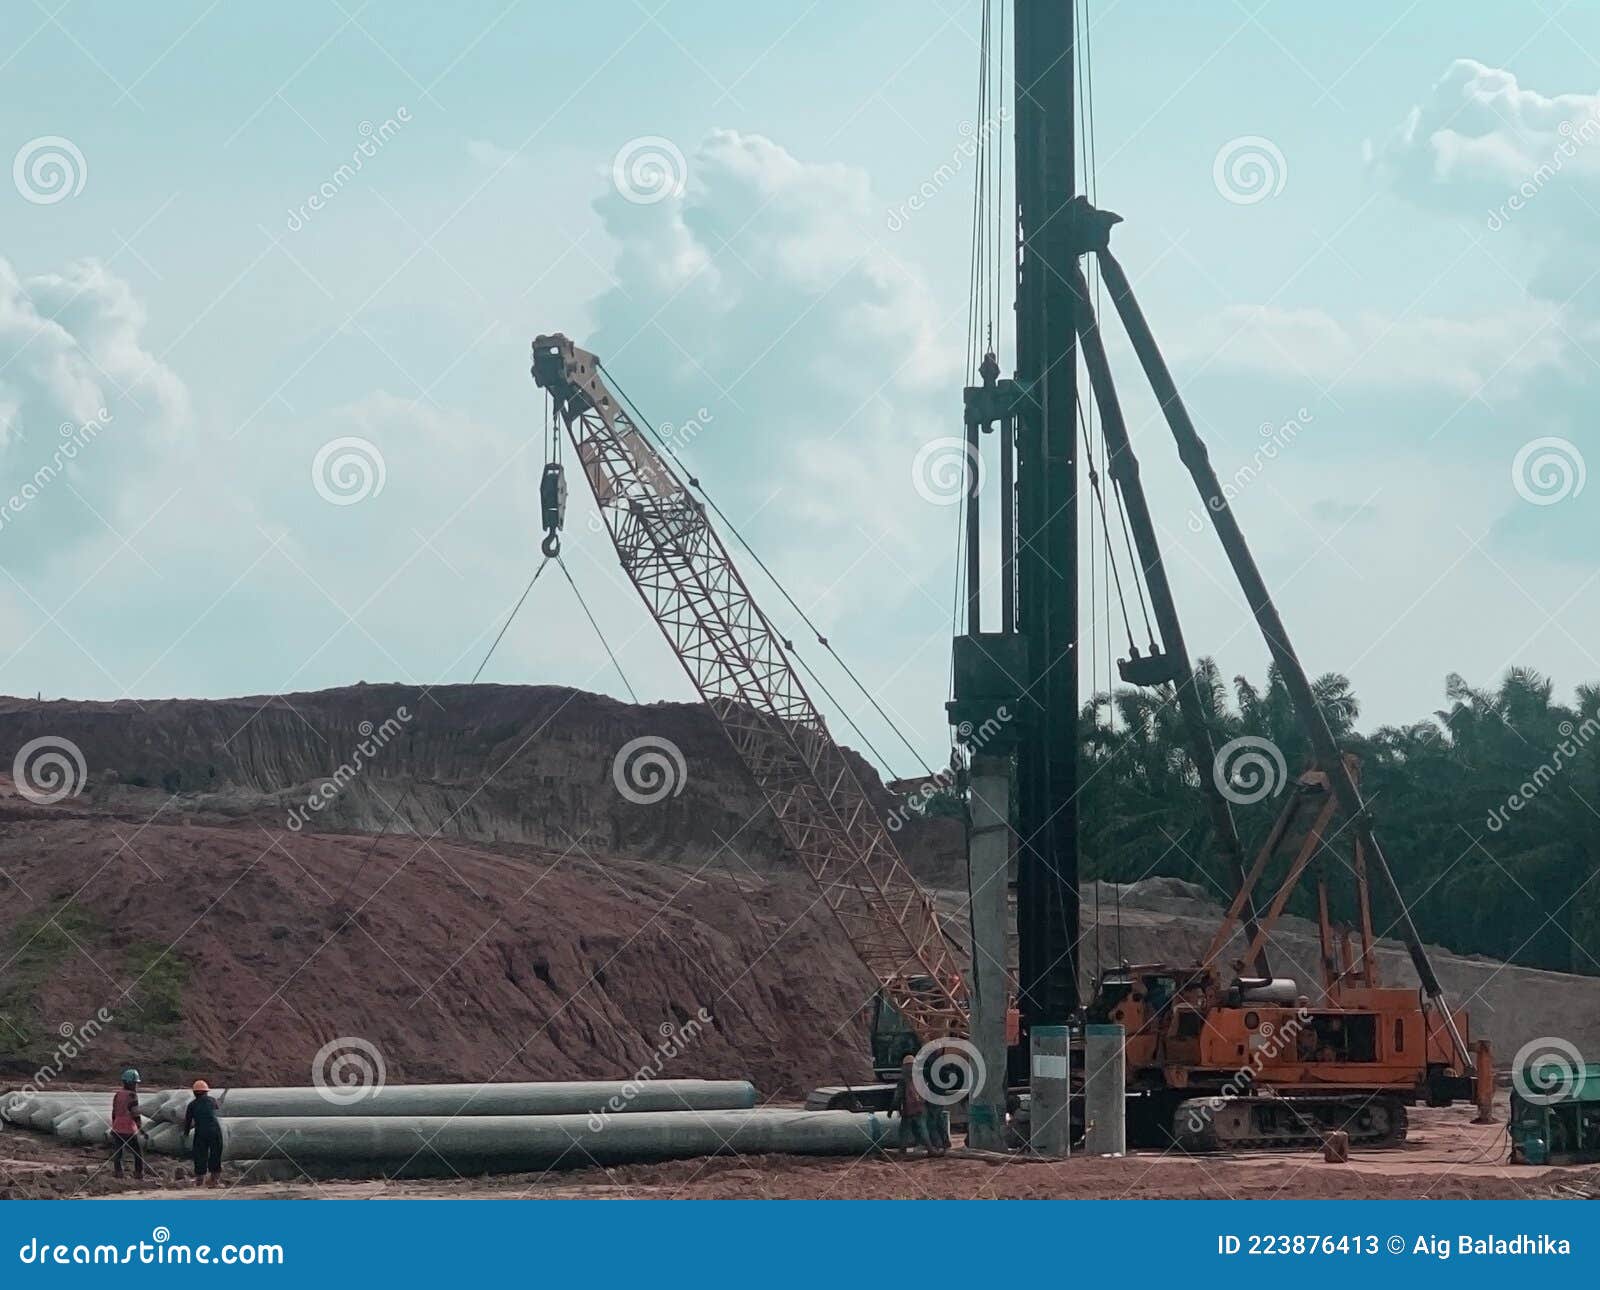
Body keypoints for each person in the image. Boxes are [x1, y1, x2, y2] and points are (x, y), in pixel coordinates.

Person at [183, 1079, 223, 1189]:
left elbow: (187, 1121)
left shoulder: (192, 1105)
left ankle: (200, 1181)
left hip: (201, 1131)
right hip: (215, 1130)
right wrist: (219, 1101)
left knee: (200, 1155)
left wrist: (185, 1134)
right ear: (206, 1092)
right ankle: (214, 1180)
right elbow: (217, 1106)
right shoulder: (212, 1101)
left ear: (194, 1093)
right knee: (216, 1153)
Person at [108, 1068, 145, 1180]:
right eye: (135, 1083)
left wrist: (113, 1125)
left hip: (117, 1128)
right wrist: (140, 1128)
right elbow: (135, 1113)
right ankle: (138, 1174)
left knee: (118, 1153)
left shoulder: (117, 1094)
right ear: (130, 1083)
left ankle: (118, 1172)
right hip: (129, 1129)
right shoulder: (132, 1096)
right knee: (138, 1153)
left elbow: (114, 1112)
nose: (136, 1086)